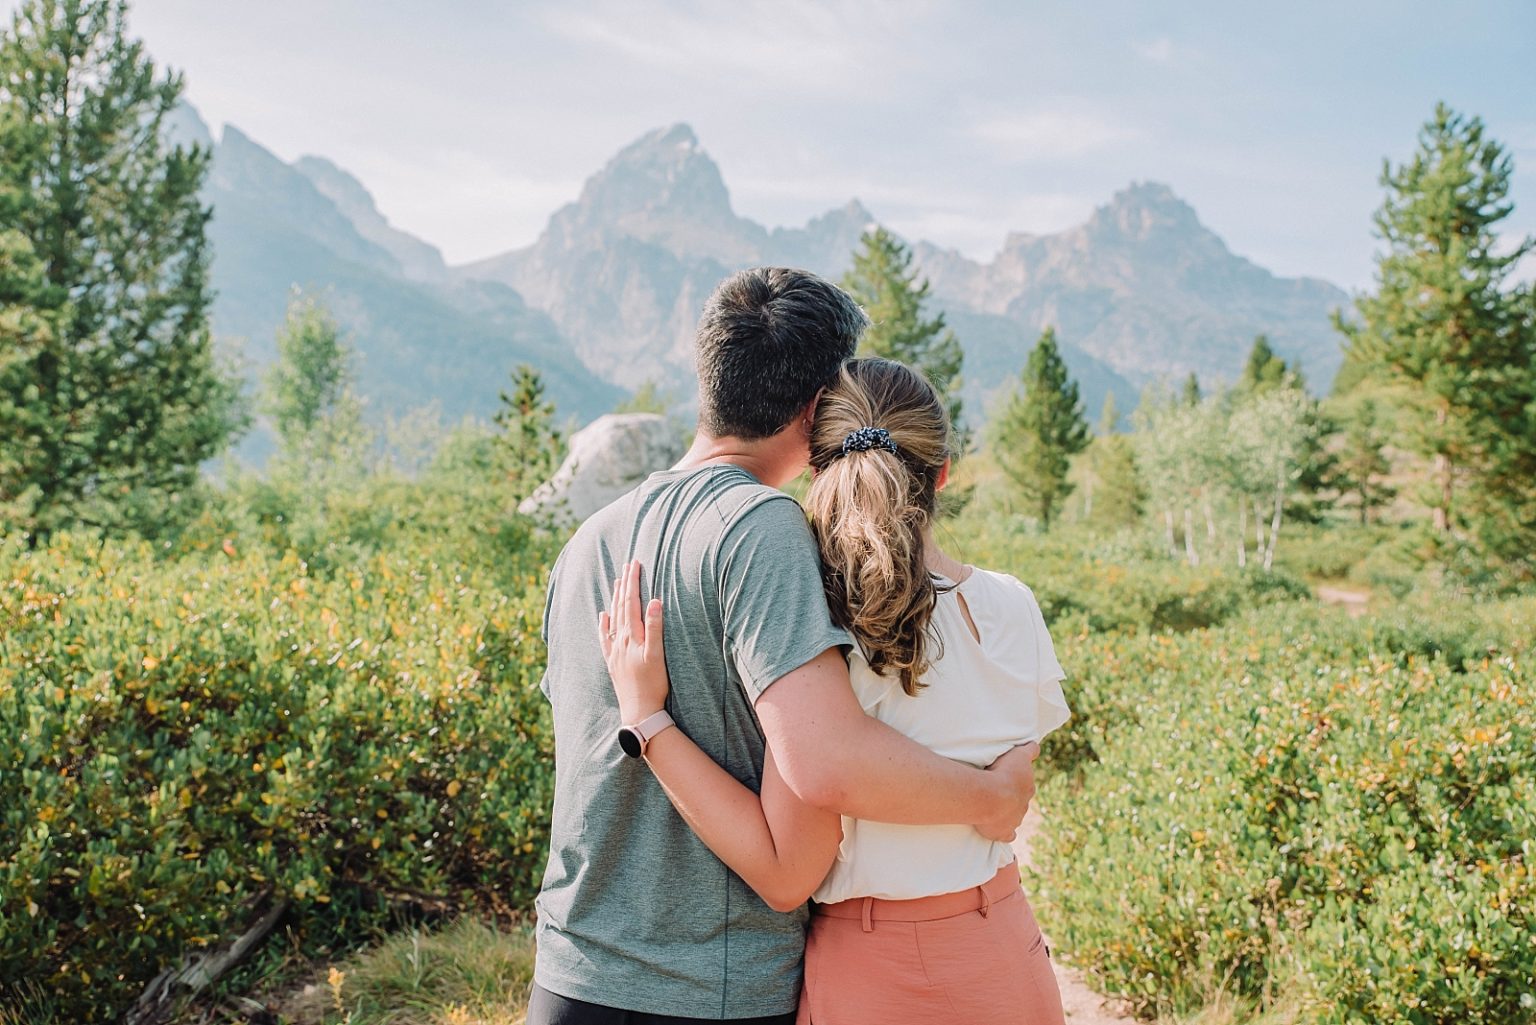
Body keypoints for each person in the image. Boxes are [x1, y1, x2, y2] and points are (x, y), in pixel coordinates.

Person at [530, 269, 1042, 1025]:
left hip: (571, 976)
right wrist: (991, 796)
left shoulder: (586, 543)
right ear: (817, 407)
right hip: (709, 989)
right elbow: (816, 792)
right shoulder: (763, 528)